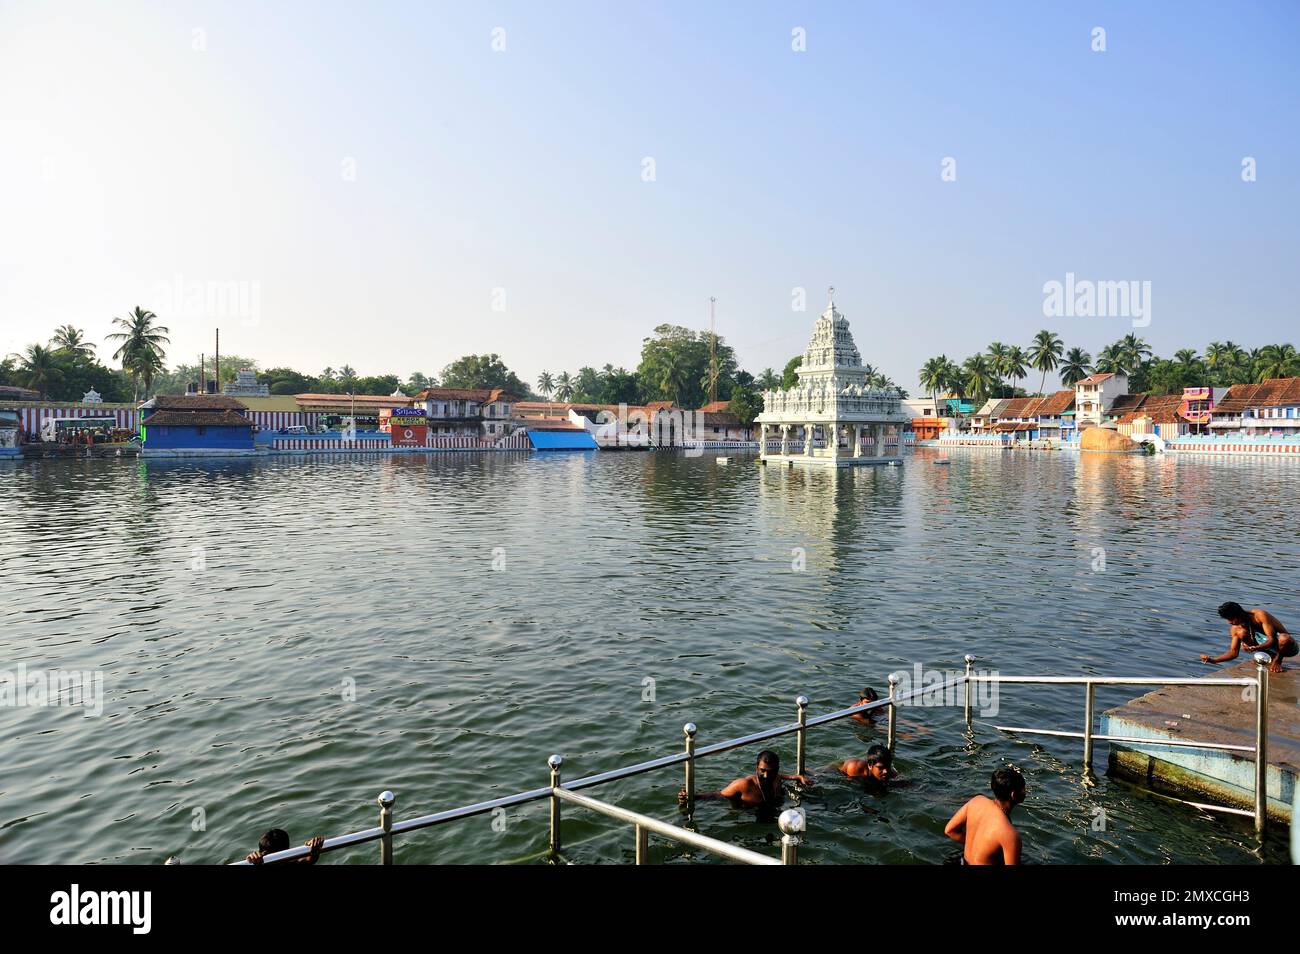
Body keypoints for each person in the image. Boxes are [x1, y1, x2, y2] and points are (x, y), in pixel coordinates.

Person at [943, 766, 1026, 865]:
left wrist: (978, 849)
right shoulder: (1009, 835)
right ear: (1013, 795)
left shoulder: (977, 801)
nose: (1025, 792)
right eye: (1023, 789)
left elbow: (950, 830)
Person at [679, 750, 810, 808]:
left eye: (771, 772)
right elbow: (717, 794)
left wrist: (797, 777)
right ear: (757, 768)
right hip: (749, 815)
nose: (766, 776)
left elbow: (782, 776)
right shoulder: (743, 784)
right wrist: (693, 797)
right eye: (762, 771)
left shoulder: (776, 777)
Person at [1202, 602, 1295, 673]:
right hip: (1269, 648)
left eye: (1230, 619)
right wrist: (1214, 660)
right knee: (1241, 633)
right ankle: (1272, 656)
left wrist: (1256, 648)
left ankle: (1278, 660)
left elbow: (1272, 639)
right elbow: (1233, 652)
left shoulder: (1259, 615)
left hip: (1288, 648)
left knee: (1284, 638)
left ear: (1239, 615)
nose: (1229, 622)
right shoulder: (1235, 629)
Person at [245, 829, 325, 865]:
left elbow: (309, 859)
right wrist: (250, 860)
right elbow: (309, 860)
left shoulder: (292, 863)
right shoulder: (256, 862)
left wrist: (312, 846)